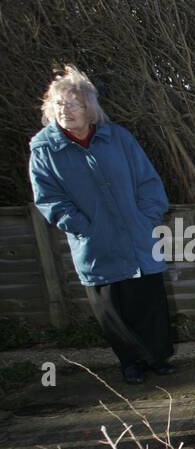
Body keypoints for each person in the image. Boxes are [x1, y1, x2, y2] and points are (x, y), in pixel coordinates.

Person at [29, 65, 175, 384]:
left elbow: (148, 181)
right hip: (95, 243)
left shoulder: (118, 138)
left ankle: (158, 358)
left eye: (73, 104)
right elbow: (48, 198)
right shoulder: (44, 150)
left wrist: (147, 217)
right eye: (58, 104)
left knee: (148, 300)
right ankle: (131, 363)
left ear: (89, 109)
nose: (65, 110)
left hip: (136, 235)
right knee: (112, 307)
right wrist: (82, 226)